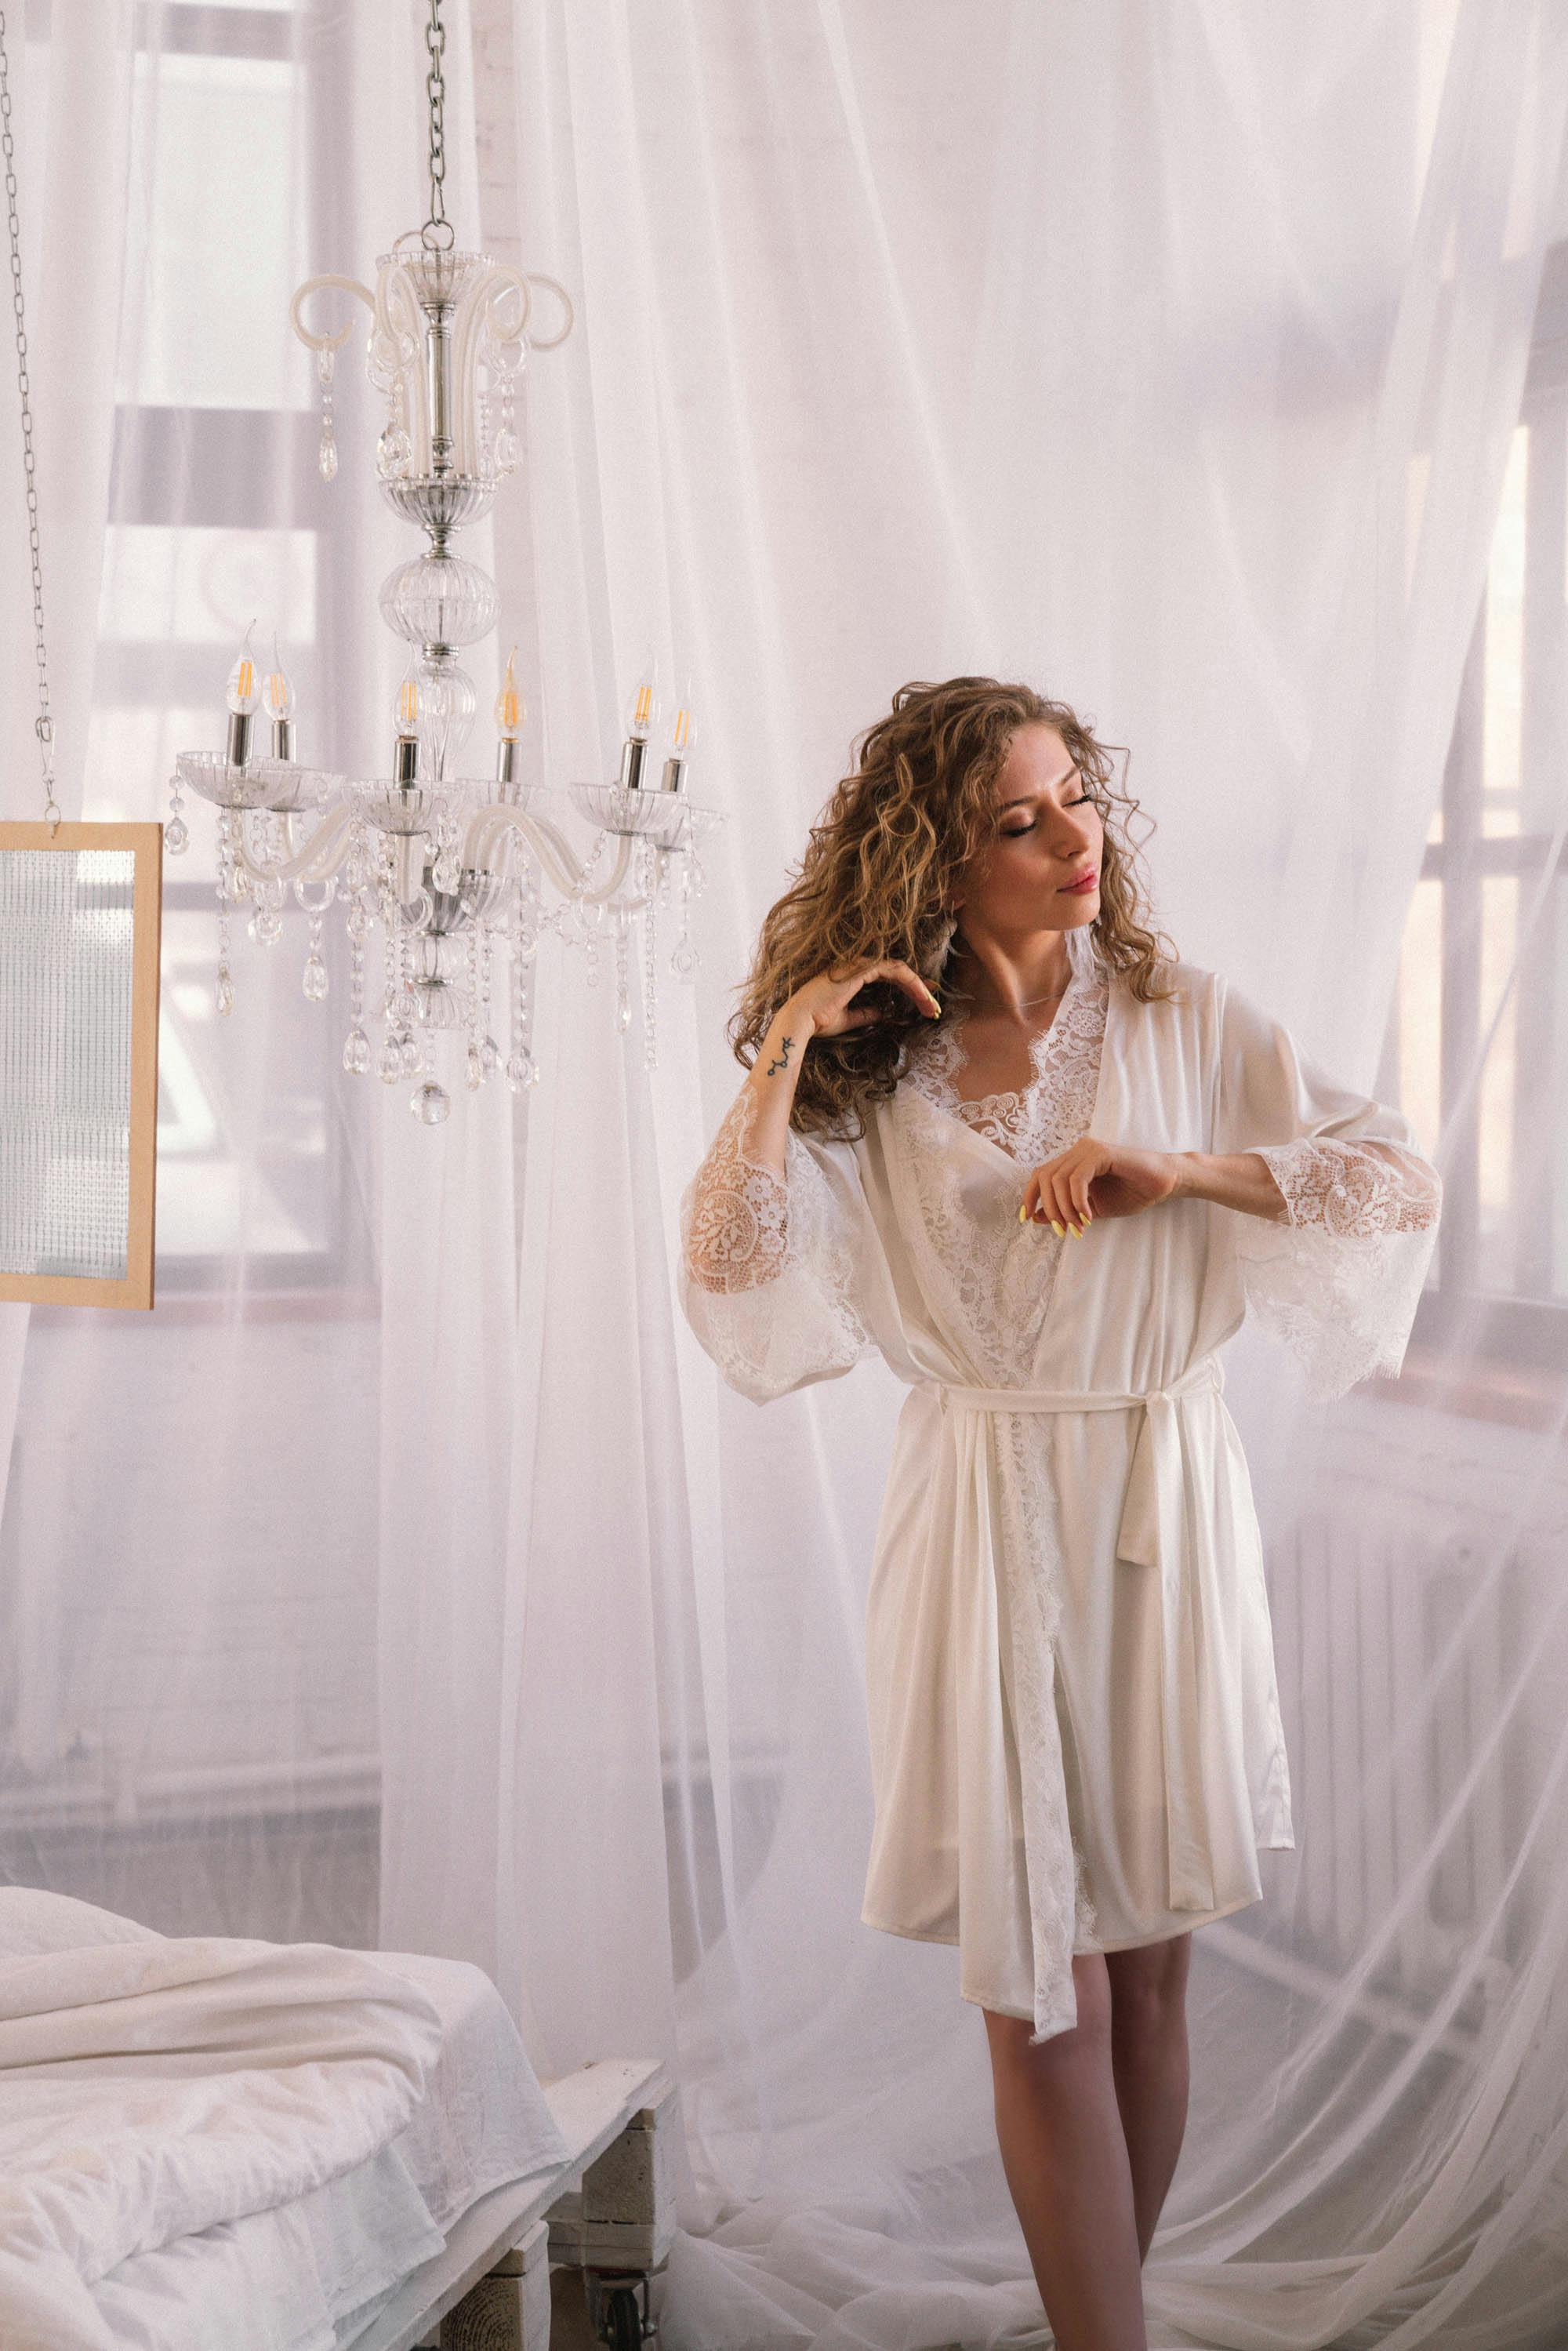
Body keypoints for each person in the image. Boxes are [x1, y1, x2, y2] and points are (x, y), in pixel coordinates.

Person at [675, 676, 1443, 2351]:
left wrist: (1181, 1168)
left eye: (1079, 795)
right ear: (937, 859)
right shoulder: (873, 1069)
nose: (1074, 837)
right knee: (1041, 1991)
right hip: (976, 1514)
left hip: (1159, 1497)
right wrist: (789, 1043)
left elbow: (1391, 1176)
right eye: (1020, 818)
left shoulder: (1182, 1014)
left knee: (1150, 1967)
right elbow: (732, 1265)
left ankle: (1106, 2316)